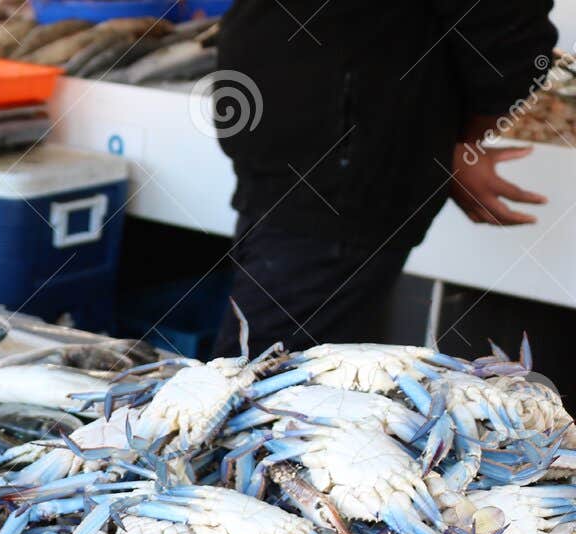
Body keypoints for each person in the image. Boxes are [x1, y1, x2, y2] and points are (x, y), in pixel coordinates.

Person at [213, 1, 558, 356]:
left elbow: (508, 27)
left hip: (340, 173)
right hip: (285, 164)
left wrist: (463, 141)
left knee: (255, 380)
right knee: (257, 365)